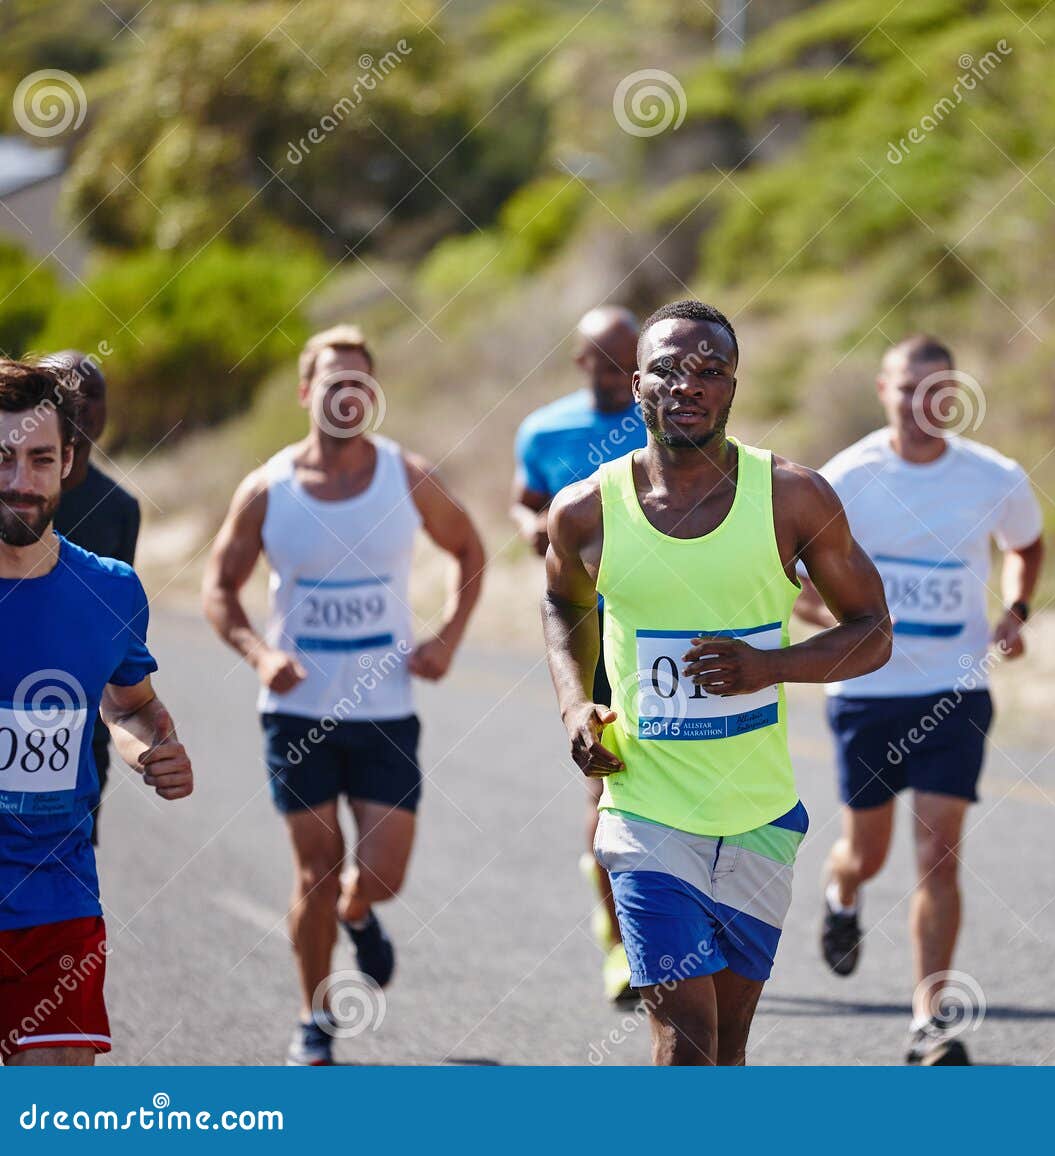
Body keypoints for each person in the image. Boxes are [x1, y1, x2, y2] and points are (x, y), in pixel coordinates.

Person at [542, 299, 892, 1065]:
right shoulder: (585, 512)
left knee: (729, 1045)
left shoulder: (795, 498)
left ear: (733, 388)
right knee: (686, 1038)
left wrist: (769, 668)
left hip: (759, 816)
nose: (687, 384)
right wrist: (575, 703)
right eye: (667, 369)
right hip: (645, 811)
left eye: (710, 371)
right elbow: (563, 604)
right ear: (636, 384)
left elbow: (874, 634)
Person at [202, 325, 485, 1065]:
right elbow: (218, 589)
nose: (347, 395)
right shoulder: (270, 490)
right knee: (314, 873)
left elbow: (471, 550)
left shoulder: (406, 476)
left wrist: (449, 638)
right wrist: (260, 654)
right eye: (333, 382)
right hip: (297, 716)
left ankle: (361, 915)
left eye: (359, 382)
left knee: (382, 874)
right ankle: (313, 1017)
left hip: (386, 710)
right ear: (306, 393)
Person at [793, 335, 1044, 1065]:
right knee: (865, 856)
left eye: (936, 390)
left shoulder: (990, 476)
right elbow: (798, 573)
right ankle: (841, 895)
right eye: (907, 388)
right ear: (883, 390)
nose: (920, 404)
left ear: (955, 395)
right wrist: (825, 617)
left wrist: (1018, 610)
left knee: (939, 856)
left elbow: (1026, 544)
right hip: (868, 695)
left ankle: (931, 1019)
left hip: (954, 691)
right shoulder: (848, 477)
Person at [0, 359, 193, 1066]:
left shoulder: (109, 590)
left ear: (68, 463)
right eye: (2, 459)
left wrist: (150, 749)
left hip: (57, 901)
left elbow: (130, 704)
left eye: (39, 459)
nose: (20, 481)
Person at [511, 305, 647, 1003]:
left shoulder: (662, 424)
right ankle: (620, 940)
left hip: (656, 626)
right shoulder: (544, 429)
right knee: (606, 781)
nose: (623, 376)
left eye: (634, 363)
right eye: (608, 362)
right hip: (586, 627)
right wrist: (534, 524)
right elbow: (523, 498)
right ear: (581, 361)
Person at [43, 352, 142, 846]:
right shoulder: (16, 494)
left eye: (93, 394)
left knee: (68, 856)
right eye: (65, 391)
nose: (80, 403)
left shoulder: (121, 509)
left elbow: (117, 626)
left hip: (82, 726)